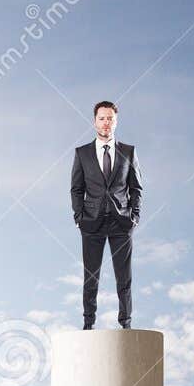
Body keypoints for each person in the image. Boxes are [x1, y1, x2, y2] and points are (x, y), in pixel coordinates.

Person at [70, 99, 143, 330]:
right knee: (91, 277)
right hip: (92, 223)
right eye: (101, 118)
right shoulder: (82, 153)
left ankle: (126, 324)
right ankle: (88, 324)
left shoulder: (128, 151)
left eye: (110, 118)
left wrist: (134, 217)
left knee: (124, 278)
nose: (105, 123)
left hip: (122, 223)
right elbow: (76, 189)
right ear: (94, 122)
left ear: (116, 121)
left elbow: (136, 188)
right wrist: (79, 217)